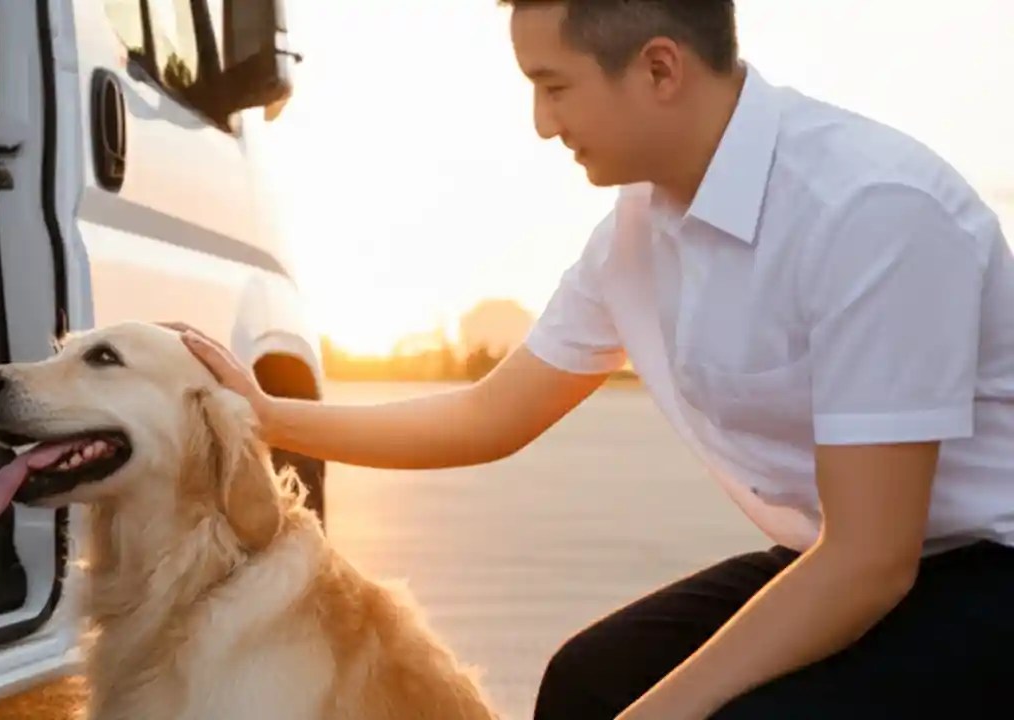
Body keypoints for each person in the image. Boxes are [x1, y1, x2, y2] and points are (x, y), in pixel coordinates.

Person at [164, 0, 1014, 717]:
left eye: (552, 86)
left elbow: (871, 561)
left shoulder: (872, 213)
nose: (541, 124)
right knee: (588, 680)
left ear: (659, 69)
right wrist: (268, 418)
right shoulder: (637, 234)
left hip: (979, 571)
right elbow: (488, 415)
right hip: (844, 559)